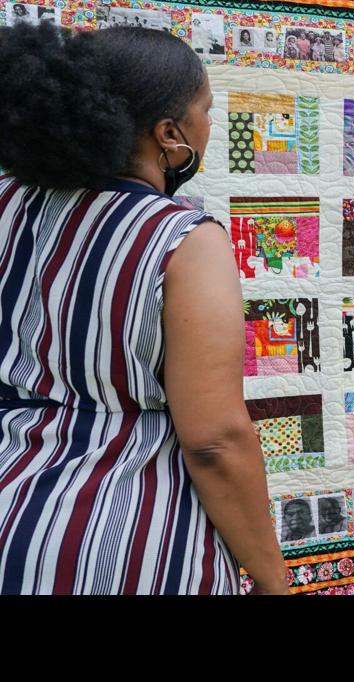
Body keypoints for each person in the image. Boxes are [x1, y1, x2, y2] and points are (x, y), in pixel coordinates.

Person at [0, 23, 288, 594]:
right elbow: (213, 440)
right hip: (122, 537)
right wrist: (273, 580)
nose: (210, 123)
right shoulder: (183, 239)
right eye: (206, 109)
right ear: (170, 134)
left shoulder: (8, 201)